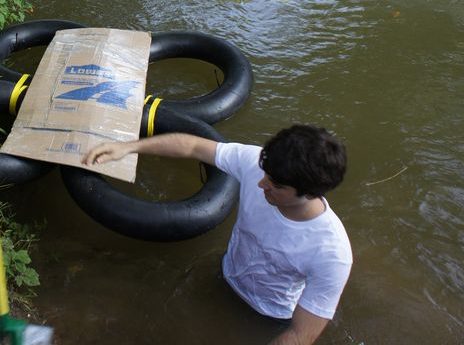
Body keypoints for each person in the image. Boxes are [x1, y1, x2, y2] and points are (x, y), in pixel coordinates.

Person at [83, 124, 352, 345]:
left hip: (267, 315)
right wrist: (128, 147)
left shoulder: (331, 253)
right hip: (224, 275)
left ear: (310, 192)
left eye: (276, 185)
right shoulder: (257, 166)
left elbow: (300, 334)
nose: (261, 184)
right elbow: (193, 146)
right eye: (265, 175)